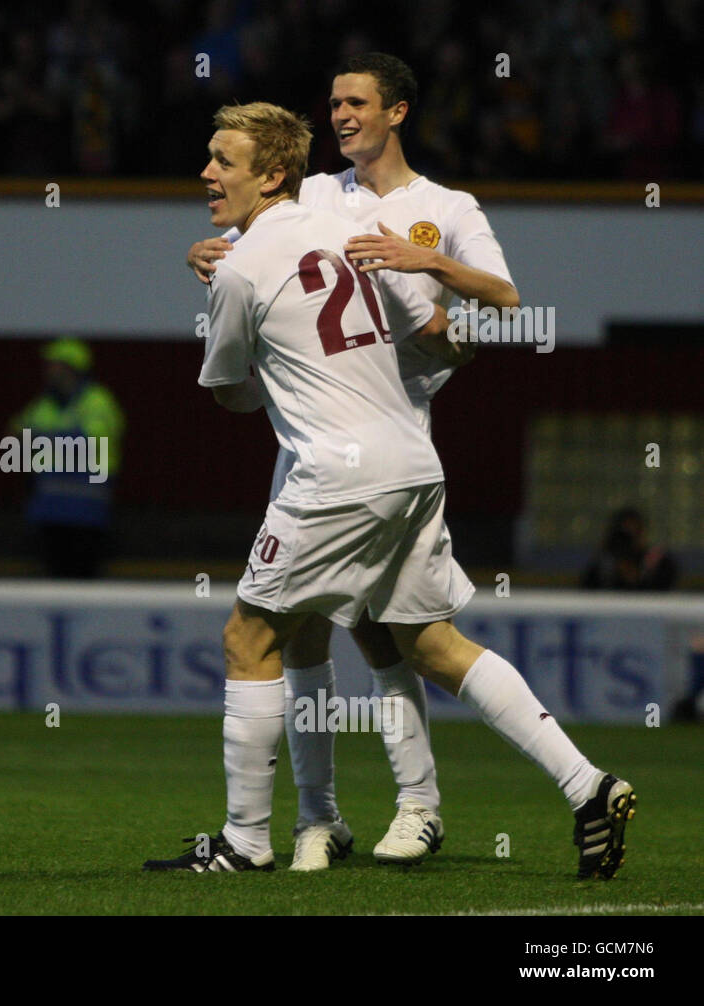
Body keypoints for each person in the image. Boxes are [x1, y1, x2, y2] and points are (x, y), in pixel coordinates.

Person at [143, 101, 633, 880]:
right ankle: (589, 786)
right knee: (431, 645)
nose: (206, 172)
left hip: (336, 473)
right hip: (411, 457)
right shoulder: (349, 230)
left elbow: (229, 392)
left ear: (272, 175)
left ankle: (246, 841)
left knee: (250, 637)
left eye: (222, 161)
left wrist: (280, 369)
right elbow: (442, 328)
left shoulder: (240, 268)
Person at [184, 53, 520, 871]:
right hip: (346, 449)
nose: (340, 114)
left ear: (397, 111)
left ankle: (390, 809)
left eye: (357, 102)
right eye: (332, 101)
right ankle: (321, 817)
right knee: (342, 636)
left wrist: (431, 267)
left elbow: (502, 303)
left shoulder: (440, 208)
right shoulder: (325, 200)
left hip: (363, 445)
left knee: (374, 636)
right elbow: (248, 252)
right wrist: (205, 256)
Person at [9, 338, 125, 579]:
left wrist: (43, 439)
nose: (49, 370)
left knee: (83, 579)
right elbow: (15, 435)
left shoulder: (97, 401)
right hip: (48, 510)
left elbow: (90, 443)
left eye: (55, 364)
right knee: (51, 578)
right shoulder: (44, 403)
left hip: (86, 513)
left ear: (72, 368)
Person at [582, 507, 678, 590]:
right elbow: (587, 594)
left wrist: (642, 574)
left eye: (634, 533)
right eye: (623, 537)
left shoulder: (659, 564)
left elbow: (664, 593)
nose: (627, 542)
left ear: (642, 533)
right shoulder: (603, 565)